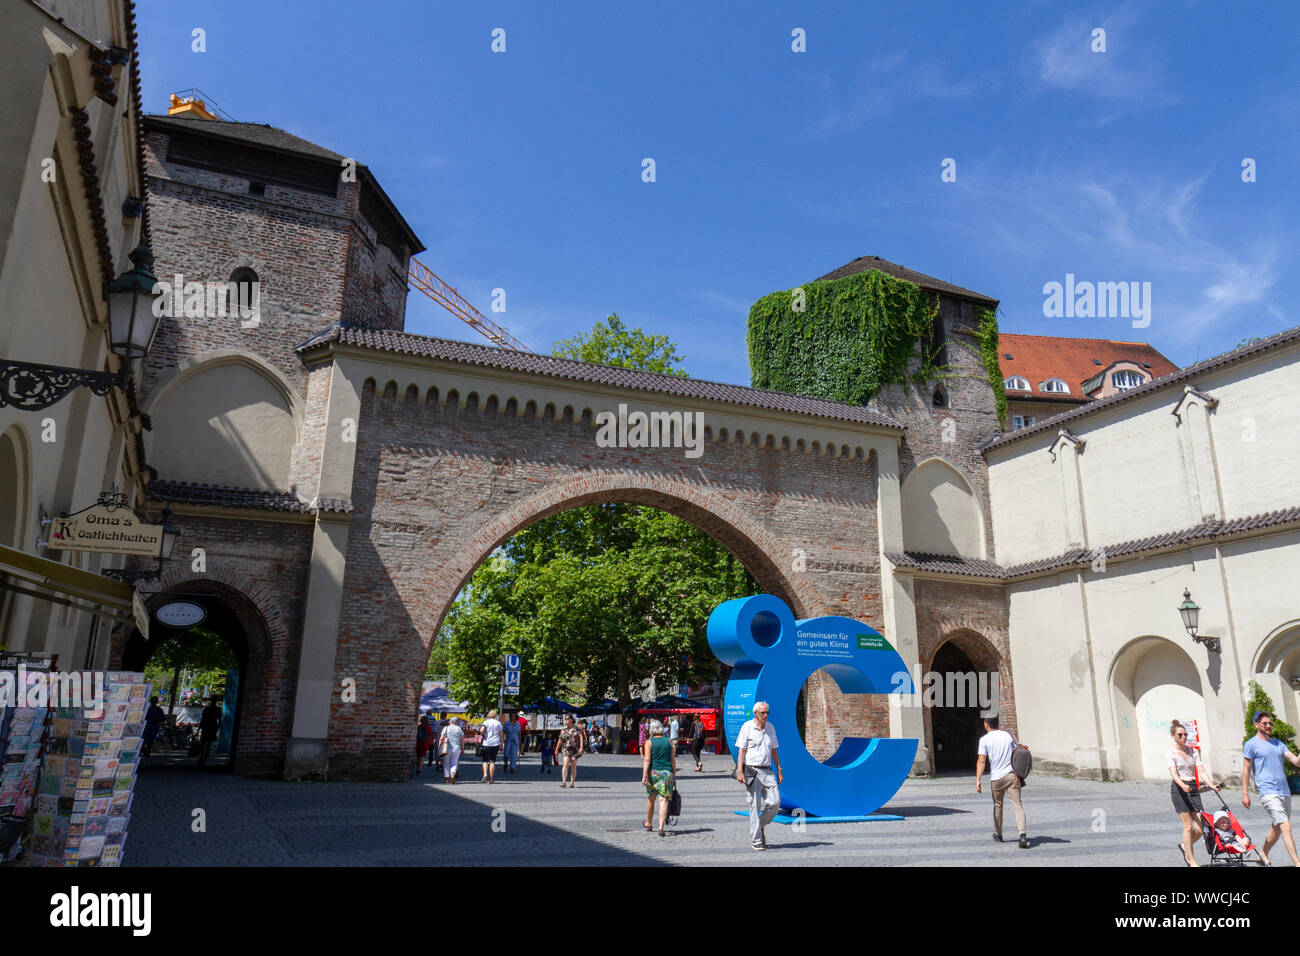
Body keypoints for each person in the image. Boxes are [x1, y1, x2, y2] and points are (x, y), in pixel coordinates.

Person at [1242, 709, 1300, 867]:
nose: (1268, 725)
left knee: (1278, 827)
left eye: (1269, 723)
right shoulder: (1251, 744)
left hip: (1284, 791)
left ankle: (1263, 853)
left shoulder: (1278, 744)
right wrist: (1245, 793)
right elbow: (1246, 770)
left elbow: (1296, 762)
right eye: (1264, 723)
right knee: (1285, 825)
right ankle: (1297, 863)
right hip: (1268, 792)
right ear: (1256, 725)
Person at [1168, 719, 1220, 866]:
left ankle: (1185, 846)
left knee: (1200, 827)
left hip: (1193, 788)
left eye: (1185, 734)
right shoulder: (1171, 752)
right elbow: (1173, 773)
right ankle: (1191, 860)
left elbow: (1201, 770)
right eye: (1180, 735)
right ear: (1173, 736)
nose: (1184, 737)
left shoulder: (1193, 751)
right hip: (1179, 789)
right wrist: (1182, 785)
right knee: (1188, 826)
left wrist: (1211, 785)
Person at [734, 701, 782, 850]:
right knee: (754, 805)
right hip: (751, 770)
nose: (766, 715)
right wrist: (740, 771)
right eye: (763, 713)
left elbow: (773, 749)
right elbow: (742, 750)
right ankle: (756, 840)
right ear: (755, 713)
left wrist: (779, 767)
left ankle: (760, 825)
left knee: (775, 802)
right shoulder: (747, 727)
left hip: (767, 770)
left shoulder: (770, 728)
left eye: (767, 712)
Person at [975, 715, 1028, 848]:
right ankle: (1022, 835)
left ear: (986, 724)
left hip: (996, 778)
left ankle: (998, 834)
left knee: (998, 805)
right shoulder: (1008, 735)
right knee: (1017, 805)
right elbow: (1019, 751)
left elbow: (982, 760)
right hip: (1012, 775)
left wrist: (978, 779)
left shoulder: (984, 739)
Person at [642, 719, 677, 836]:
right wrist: (675, 777)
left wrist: (644, 775)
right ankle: (661, 828)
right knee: (663, 800)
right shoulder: (669, 741)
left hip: (654, 774)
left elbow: (647, 760)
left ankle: (649, 823)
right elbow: (673, 761)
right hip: (667, 774)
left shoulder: (649, 742)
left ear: (651, 729)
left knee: (651, 799)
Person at [558, 713, 585, 788]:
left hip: (575, 749)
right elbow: (560, 740)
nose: (566, 720)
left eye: (567, 718)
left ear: (572, 720)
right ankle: (563, 782)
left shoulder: (577, 729)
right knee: (565, 763)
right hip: (566, 749)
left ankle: (572, 782)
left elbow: (581, 737)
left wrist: (581, 747)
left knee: (573, 764)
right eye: (565, 719)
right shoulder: (564, 730)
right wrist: (556, 749)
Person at [197, 696, 222, 767]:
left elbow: (203, 719)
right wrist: (216, 729)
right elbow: (219, 722)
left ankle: (202, 758)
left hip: (207, 727)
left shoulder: (207, 709)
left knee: (203, 744)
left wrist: (199, 729)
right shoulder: (218, 709)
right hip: (212, 728)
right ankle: (203, 759)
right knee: (207, 745)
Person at [479, 709, 503, 783]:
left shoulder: (486, 722)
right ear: (495, 715)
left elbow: (481, 731)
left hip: (487, 743)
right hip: (496, 743)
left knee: (485, 760)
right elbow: (501, 734)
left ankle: (485, 774)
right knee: (492, 761)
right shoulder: (498, 723)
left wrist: (482, 734)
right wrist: (501, 743)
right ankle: (491, 779)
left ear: (489, 715)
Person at [439, 717, 463, 784]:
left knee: (446, 763)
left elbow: (441, 739)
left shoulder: (446, 728)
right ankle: (452, 775)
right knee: (454, 762)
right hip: (457, 748)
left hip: (447, 748)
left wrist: (438, 747)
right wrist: (463, 749)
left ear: (450, 721)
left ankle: (446, 779)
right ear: (456, 722)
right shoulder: (459, 728)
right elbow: (462, 740)